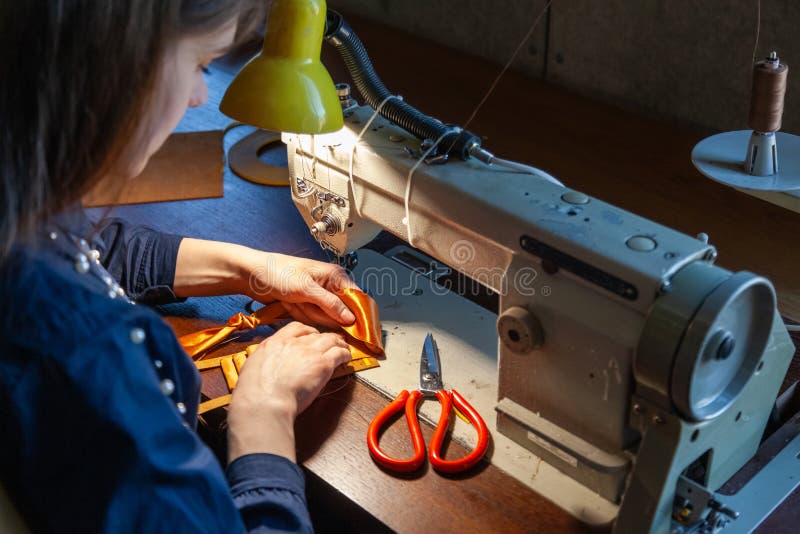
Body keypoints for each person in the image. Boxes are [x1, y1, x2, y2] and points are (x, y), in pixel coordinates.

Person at [0, 1, 358, 531]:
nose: (198, 97)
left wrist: (250, 268)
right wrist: (263, 418)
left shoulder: (23, 221)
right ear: (117, 64)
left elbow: (88, 249)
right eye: (200, 64)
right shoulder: (89, 357)